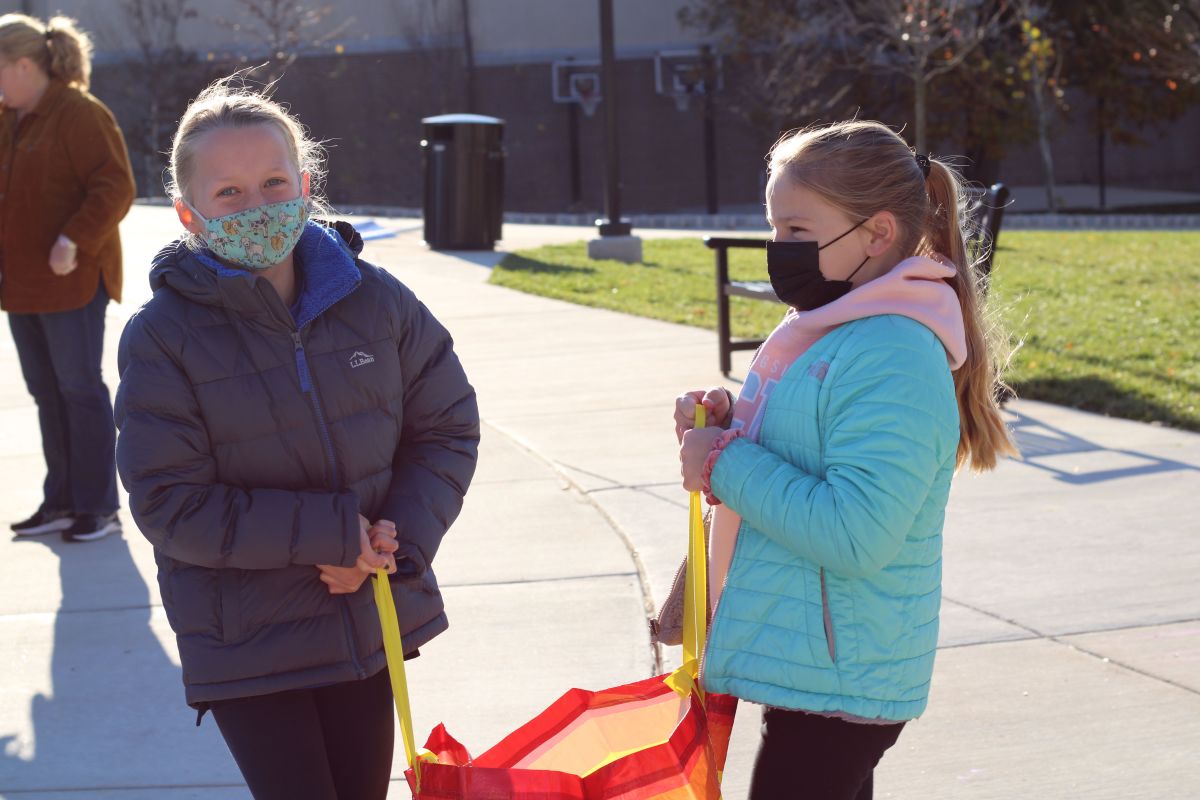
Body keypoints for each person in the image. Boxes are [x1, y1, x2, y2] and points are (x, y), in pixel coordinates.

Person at [113, 75, 480, 800]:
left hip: (365, 619)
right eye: (229, 193)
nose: (257, 206)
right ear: (188, 213)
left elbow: (445, 429)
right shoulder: (162, 340)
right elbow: (170, 504)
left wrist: (392, 542)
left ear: (306, 186)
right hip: (248, 643)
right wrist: (333, 536)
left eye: (274, 181)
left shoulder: (377, 302)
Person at [675, 120, 1018, 800]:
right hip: (817, 659)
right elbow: (804, 447)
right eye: (775, 229)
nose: (780, 249)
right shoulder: (833, 325)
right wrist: (729, 421)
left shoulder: (892, 351)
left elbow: (856, 533)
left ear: (877, 234)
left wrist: (724, 464)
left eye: (798, 232)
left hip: (844, 672)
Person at [0, 14, 135, 543]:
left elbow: (115, 186)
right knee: (46, 393)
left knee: (79, 389)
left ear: (23, 65)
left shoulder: (80, 113)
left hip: (73, 278)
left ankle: (98, 507)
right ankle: (60, 501)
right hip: (23, 284)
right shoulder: (9, 119)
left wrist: (72, 237)